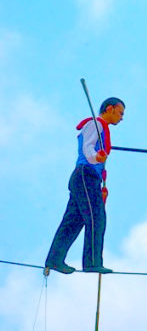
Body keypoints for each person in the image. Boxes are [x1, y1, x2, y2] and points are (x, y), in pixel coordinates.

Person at [44, 98, 125, 274]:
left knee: (73, 221)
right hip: (85, 175)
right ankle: (92, 262)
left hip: (87, 177)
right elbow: (87, 148)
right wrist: (97, 157)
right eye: (120, 112)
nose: (121, 118)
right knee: (97, 217)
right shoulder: (96, 124)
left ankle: (55, 259)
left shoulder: (102, 128)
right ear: (109, 109)